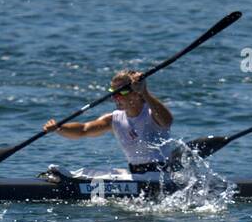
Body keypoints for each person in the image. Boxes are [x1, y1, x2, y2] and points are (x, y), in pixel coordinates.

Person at [42, 70, 175, 173]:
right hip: (136, 174)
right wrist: (59, 128)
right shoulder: (114, 119)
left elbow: (167, 121)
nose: (114, 97)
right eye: (112, 92)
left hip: (161, 175)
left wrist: (144, 91)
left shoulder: (152, 112)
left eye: (119, 92)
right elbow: (83, 130)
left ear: (136, 93)